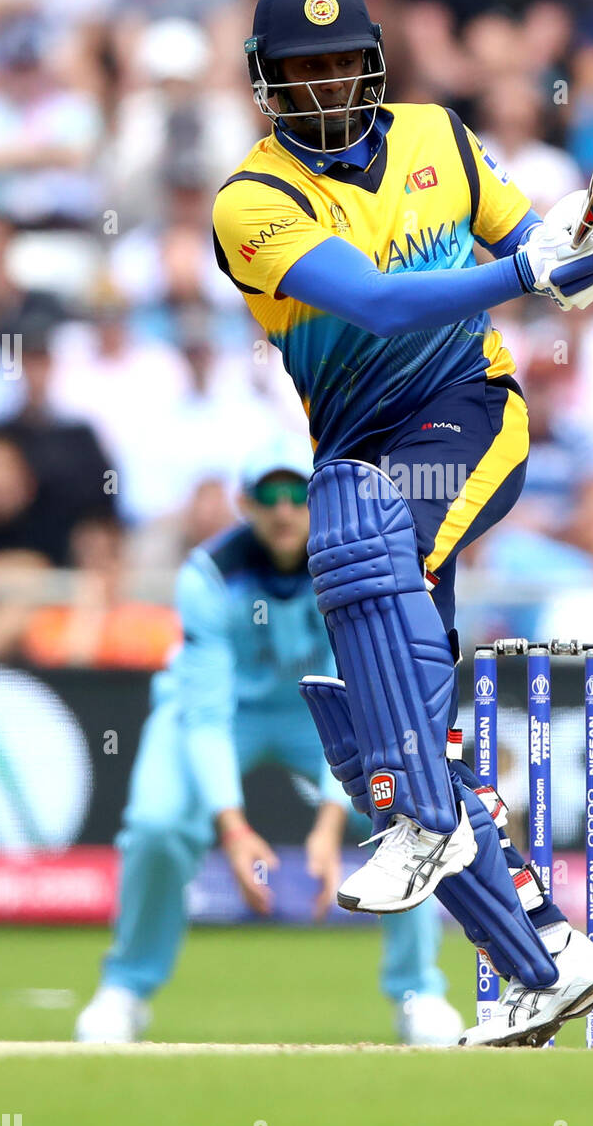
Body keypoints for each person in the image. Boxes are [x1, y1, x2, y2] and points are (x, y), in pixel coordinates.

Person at [212, 0, 593, 1047]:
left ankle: (425, 821)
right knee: (381, 739)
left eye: (343, 63)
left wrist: (579, 249)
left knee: (348, 506)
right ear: (265, 84)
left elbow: (527, 232)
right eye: (301, 73)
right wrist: (529, 273)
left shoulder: (438, 134)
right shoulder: (249, 202)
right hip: (364, 442)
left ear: (373, 63)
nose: (327, 86)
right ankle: (542, 960)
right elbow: (378, 302)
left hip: (467, 415)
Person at [75, 440, 462, 1046]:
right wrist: (232, 829)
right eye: (269, 497)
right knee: (157, 827)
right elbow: (205, 715)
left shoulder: (353, 564)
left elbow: (361, 703)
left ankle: (419, 992)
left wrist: (333, 824)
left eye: (297, 496)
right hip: (221, 714)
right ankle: (125, 988)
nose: (284, 511)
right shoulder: (209, 575)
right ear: (243, 504)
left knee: (409, 813)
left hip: (319, 714)